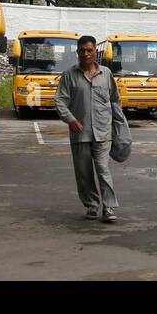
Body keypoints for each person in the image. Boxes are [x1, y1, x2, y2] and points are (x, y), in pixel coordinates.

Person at [54, 35, 128, 222]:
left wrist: (120, 127)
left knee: (103, 168)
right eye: (82, 50)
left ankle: (109, 207)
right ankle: (92, 206)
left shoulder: (106, 74)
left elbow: (114, 102)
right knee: (84, 173)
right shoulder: (69, 75)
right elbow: (60, 101)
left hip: (103, 132)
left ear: (96, 51)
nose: (86, 53)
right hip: (80, 133)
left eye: (89, 50)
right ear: (77, 52)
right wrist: (70, 120)